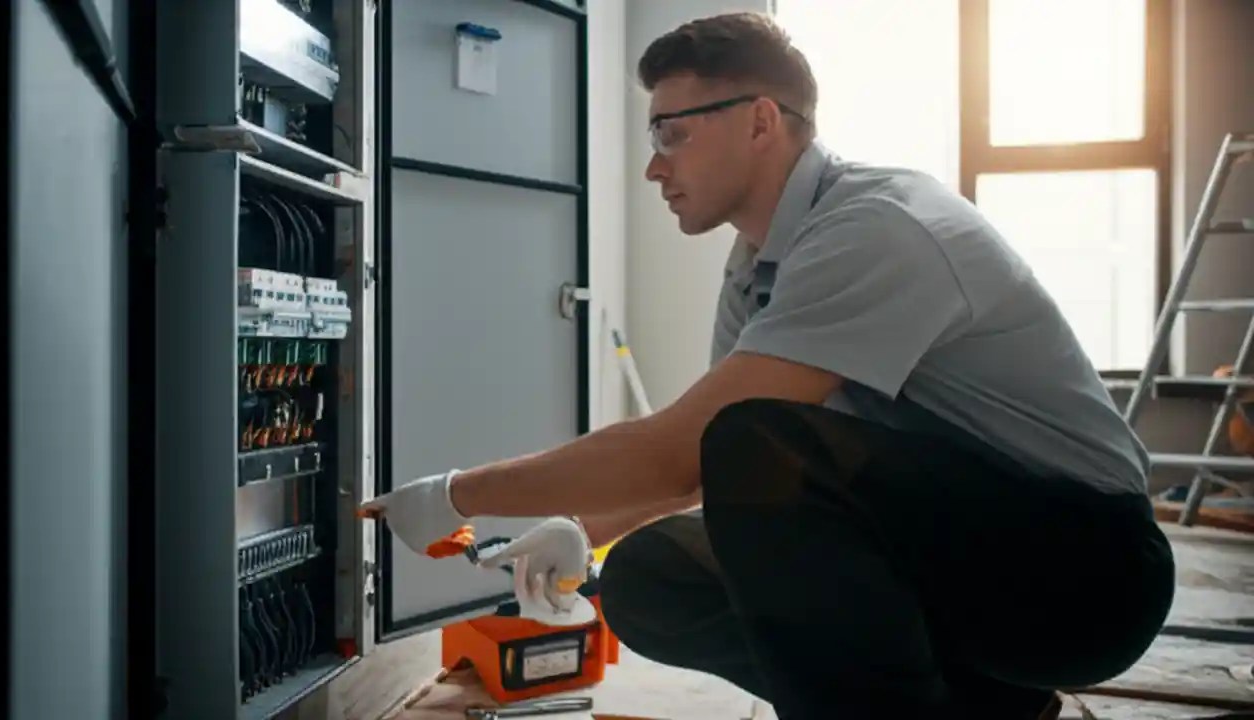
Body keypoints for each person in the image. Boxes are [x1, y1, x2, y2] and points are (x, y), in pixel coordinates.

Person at [361, 11, 1176, 720]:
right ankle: (975, 708)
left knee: (752, 439)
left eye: (671, 133)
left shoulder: (875, 228)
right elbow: (701, 473)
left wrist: (458, 494)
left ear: (759, 121)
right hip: (968, 552)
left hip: (1086, 574)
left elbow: (693, 447)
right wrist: (582, 533)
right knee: (648, 578)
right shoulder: (759, 261)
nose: (654, 167)